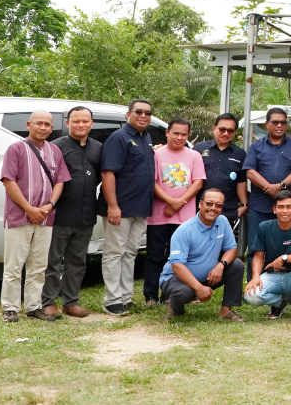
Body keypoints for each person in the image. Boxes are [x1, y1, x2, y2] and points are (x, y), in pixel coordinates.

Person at [0, 110, 70, 323]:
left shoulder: (55, 150)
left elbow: (60, 181)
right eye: (39, 123)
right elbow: (8, 181)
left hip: (46, 217)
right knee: (14, 265)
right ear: (29, 124)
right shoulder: (16, 148)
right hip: (19, 216)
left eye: (48, 124)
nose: (43, 127)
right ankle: (10, 308)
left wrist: (49, 205)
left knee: (38, 265)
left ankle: (33, 306)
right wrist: (29, 209)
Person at [42, 106, 101, 319]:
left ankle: (71, 302)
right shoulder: (55, 147)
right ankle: (47, 302)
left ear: (91, 124)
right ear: (67, 123)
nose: (81, 125)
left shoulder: (98, 148)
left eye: (85, 121)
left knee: (77, 261)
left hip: (86, 215)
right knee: (52, 260)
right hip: (59, 215)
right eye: (76, 121)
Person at [98, 99, 156, 315]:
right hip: (119, 208)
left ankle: (125, 297)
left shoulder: (146, 137)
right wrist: (112, 206)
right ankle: (112, 300)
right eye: (138, 112)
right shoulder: (119, 138)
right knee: (114, 253)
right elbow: (107, 173)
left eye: (147, 113)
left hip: (141, 208)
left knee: (130, 253)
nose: (143, 116)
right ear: (128, 114)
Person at [158, 188, 245, 321]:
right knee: (183, 292)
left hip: (208, 276)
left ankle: (226, 311)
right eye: (209, 203)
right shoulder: (184, 231)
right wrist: (199, 288)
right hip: (176, 278)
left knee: (237, 265)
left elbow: (232, 249)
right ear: (200, 204)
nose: (213, 208)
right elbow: (177, 266)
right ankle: (175, 309)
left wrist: (221, 265)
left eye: (218, 205)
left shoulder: (222, 221)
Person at [144, 119, 205, 305]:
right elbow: (152, 182)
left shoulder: (194, 156)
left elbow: (198, 182)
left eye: (183, 134)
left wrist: (180, 202)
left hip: (185, 219)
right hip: (158, 217)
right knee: (155, 257)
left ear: (188, 136)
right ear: (167, 133)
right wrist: (171, 201)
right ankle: (151, 295)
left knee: (180, 258)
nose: (179, 137)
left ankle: (172, 295)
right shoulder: (155, 154)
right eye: (175, 133)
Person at [243, 107, 291, 280]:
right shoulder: (256, 146)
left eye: (283, 122)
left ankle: (284, 280)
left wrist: (280, 186)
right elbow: (249, 171)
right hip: (260, 204)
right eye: (275, 122)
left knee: (285, 245)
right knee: (256, 245)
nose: (279, 125)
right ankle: (254, 280)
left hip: (285, 206)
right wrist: (268, 188)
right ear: (266, 124)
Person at [243, 190, 291, 326]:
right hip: (273, 276)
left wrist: (284, 258)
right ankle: (280, 303)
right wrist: (255, 276)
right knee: (250, 296)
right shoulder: (264, 227)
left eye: (289, 207)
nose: (285, 211)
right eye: (280, 207)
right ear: (274, 209)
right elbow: (258, 255)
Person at [192, 113, 248, 227]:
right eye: (222, 129)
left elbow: (241, 182)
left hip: (226, 211)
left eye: (230, 130)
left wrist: (244, 205)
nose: (226, 133)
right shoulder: (199, 149)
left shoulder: (240, 154)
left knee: (222, 243)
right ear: (214, 128)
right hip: (198, 210)